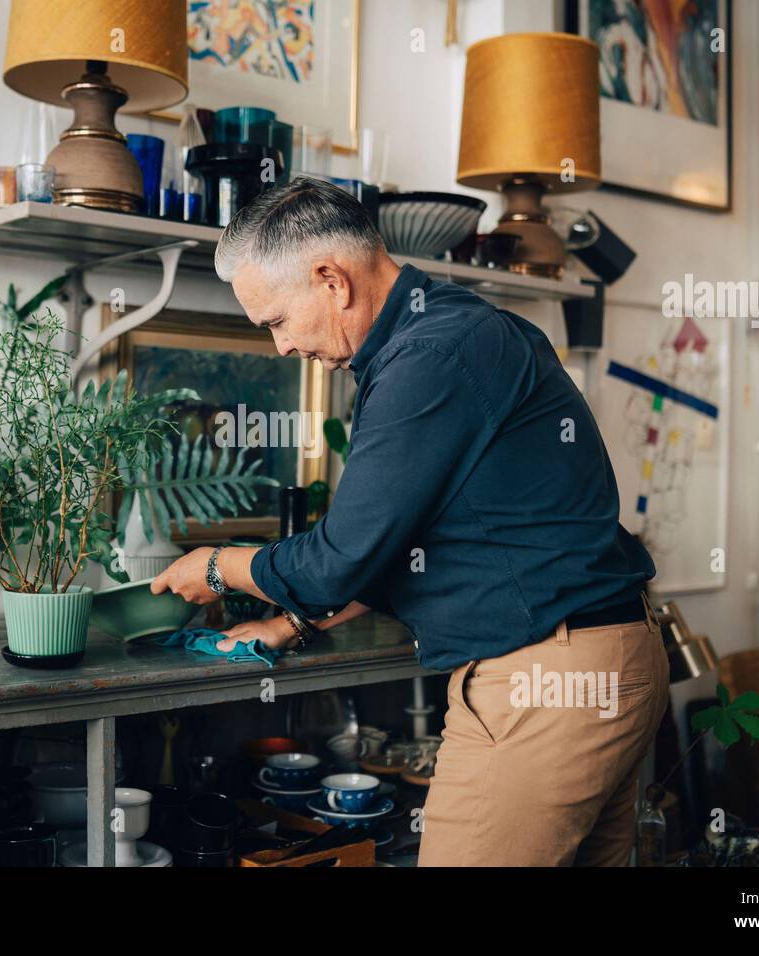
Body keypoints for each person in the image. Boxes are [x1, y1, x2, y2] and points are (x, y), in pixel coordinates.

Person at [150, 177, 668, 866]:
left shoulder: (427, 357)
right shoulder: (457, 330)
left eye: (275, 320)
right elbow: (409, 543)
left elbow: (342, 558)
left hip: (546, 683)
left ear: (331, 280)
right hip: (603, 661)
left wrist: (219, 567)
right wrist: (291, 621)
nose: (279, 348)